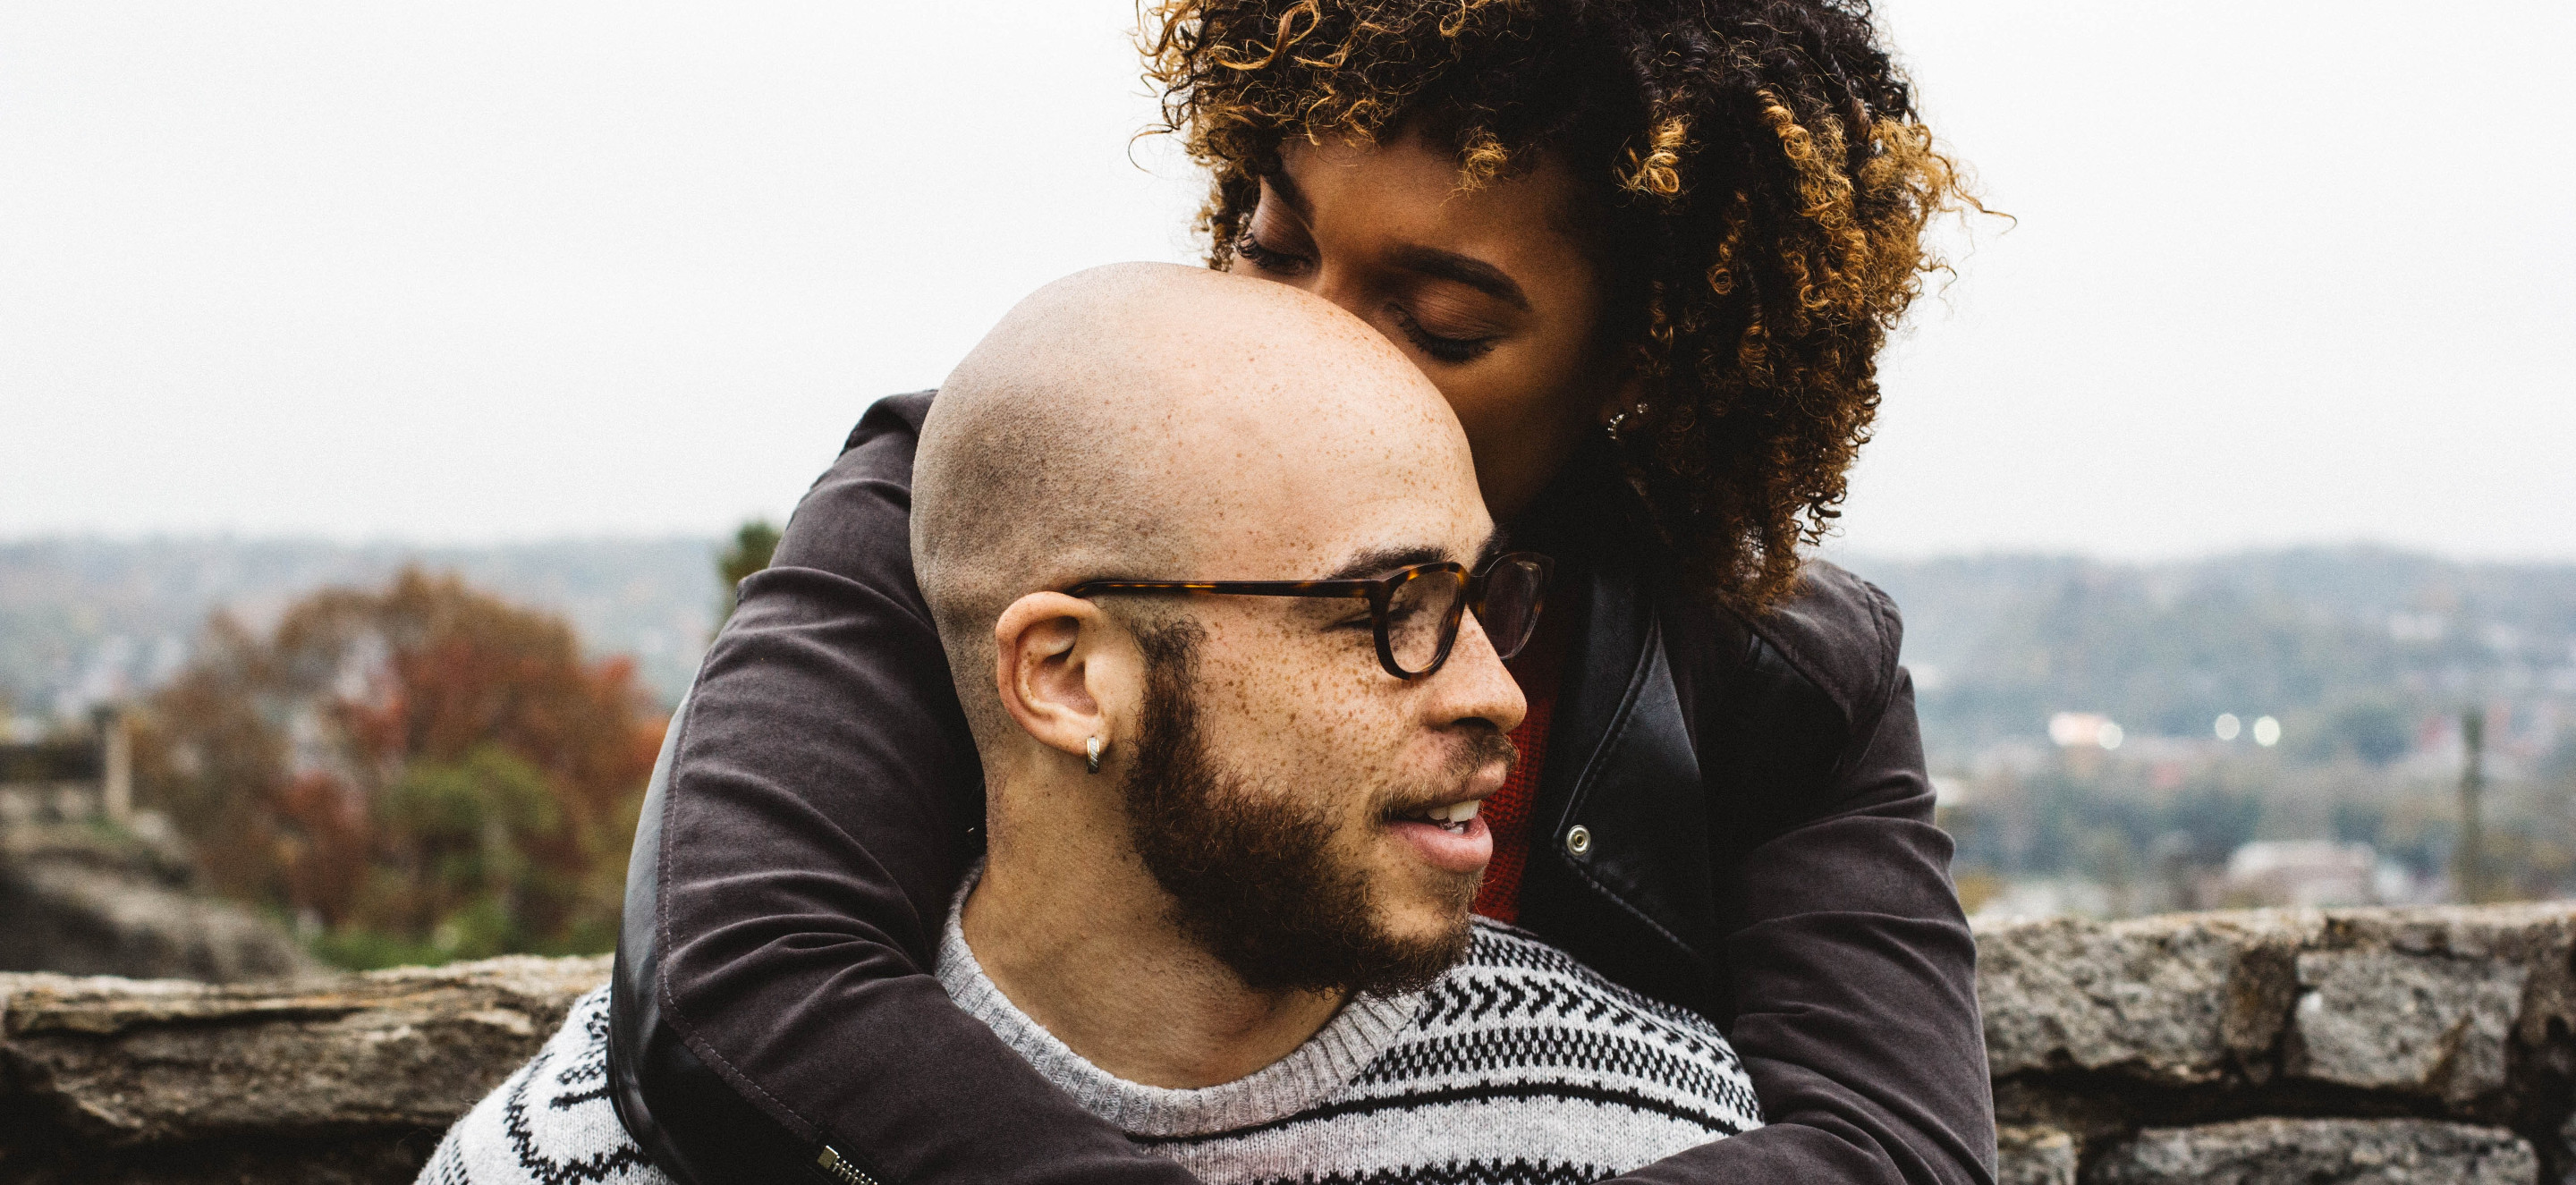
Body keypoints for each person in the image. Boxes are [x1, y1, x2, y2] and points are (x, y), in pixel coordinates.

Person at [612, 2, 1995, 1183]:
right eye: (1276, 248)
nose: (1306, 337)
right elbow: (734, 985)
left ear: (1638, 358)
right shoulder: (987, 506)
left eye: (1440, 323)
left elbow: (1894, 1150)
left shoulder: (1781, 675)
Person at [428, 265, 1764, 1185]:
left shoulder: (1642, 1124)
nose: (1495, 691)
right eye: (1387, 607)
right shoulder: (588, 1156)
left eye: (1483, 597)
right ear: (1067, 677)